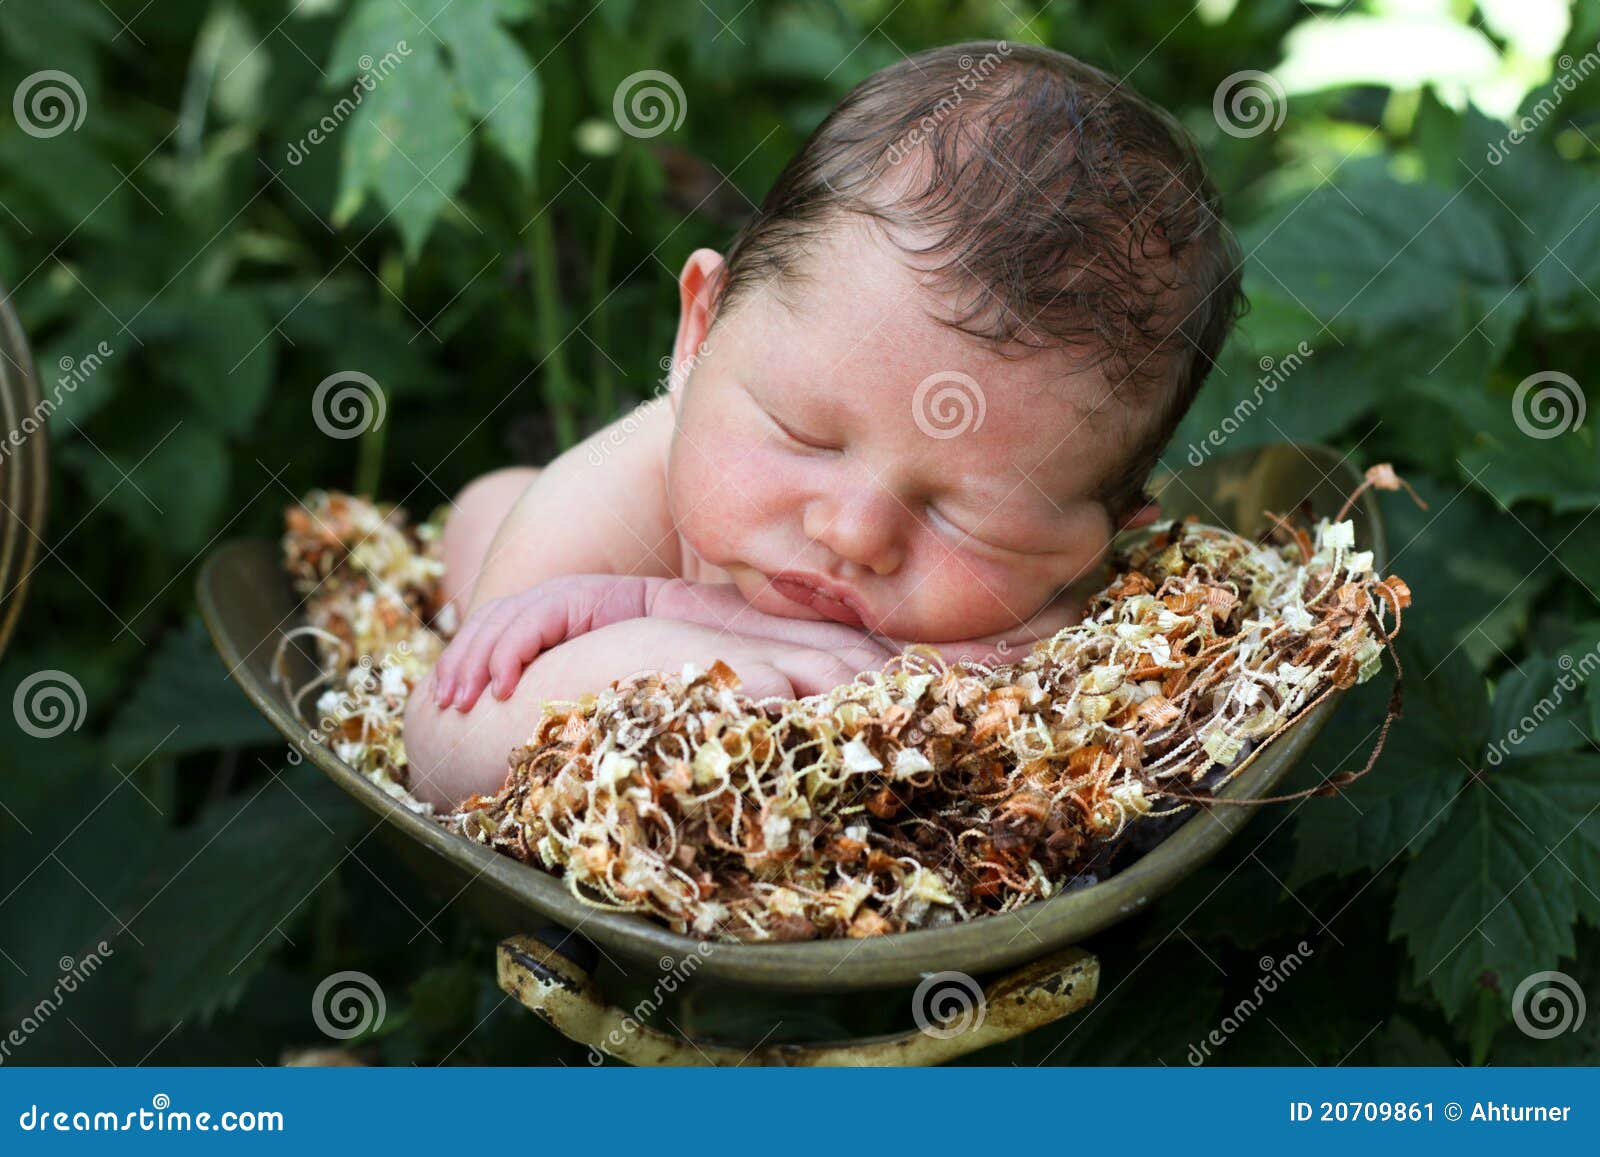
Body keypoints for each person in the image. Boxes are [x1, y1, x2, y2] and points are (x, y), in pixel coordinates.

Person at [403, 39, 1245, 808]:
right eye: (804, 435)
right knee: (492, 514)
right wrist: (664, 642)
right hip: (549, 545)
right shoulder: (611, 499)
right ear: (701, 334)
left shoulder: (1062, 614)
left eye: (967, 517)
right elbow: (443, 759)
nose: (854, 533)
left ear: (1105, 538)